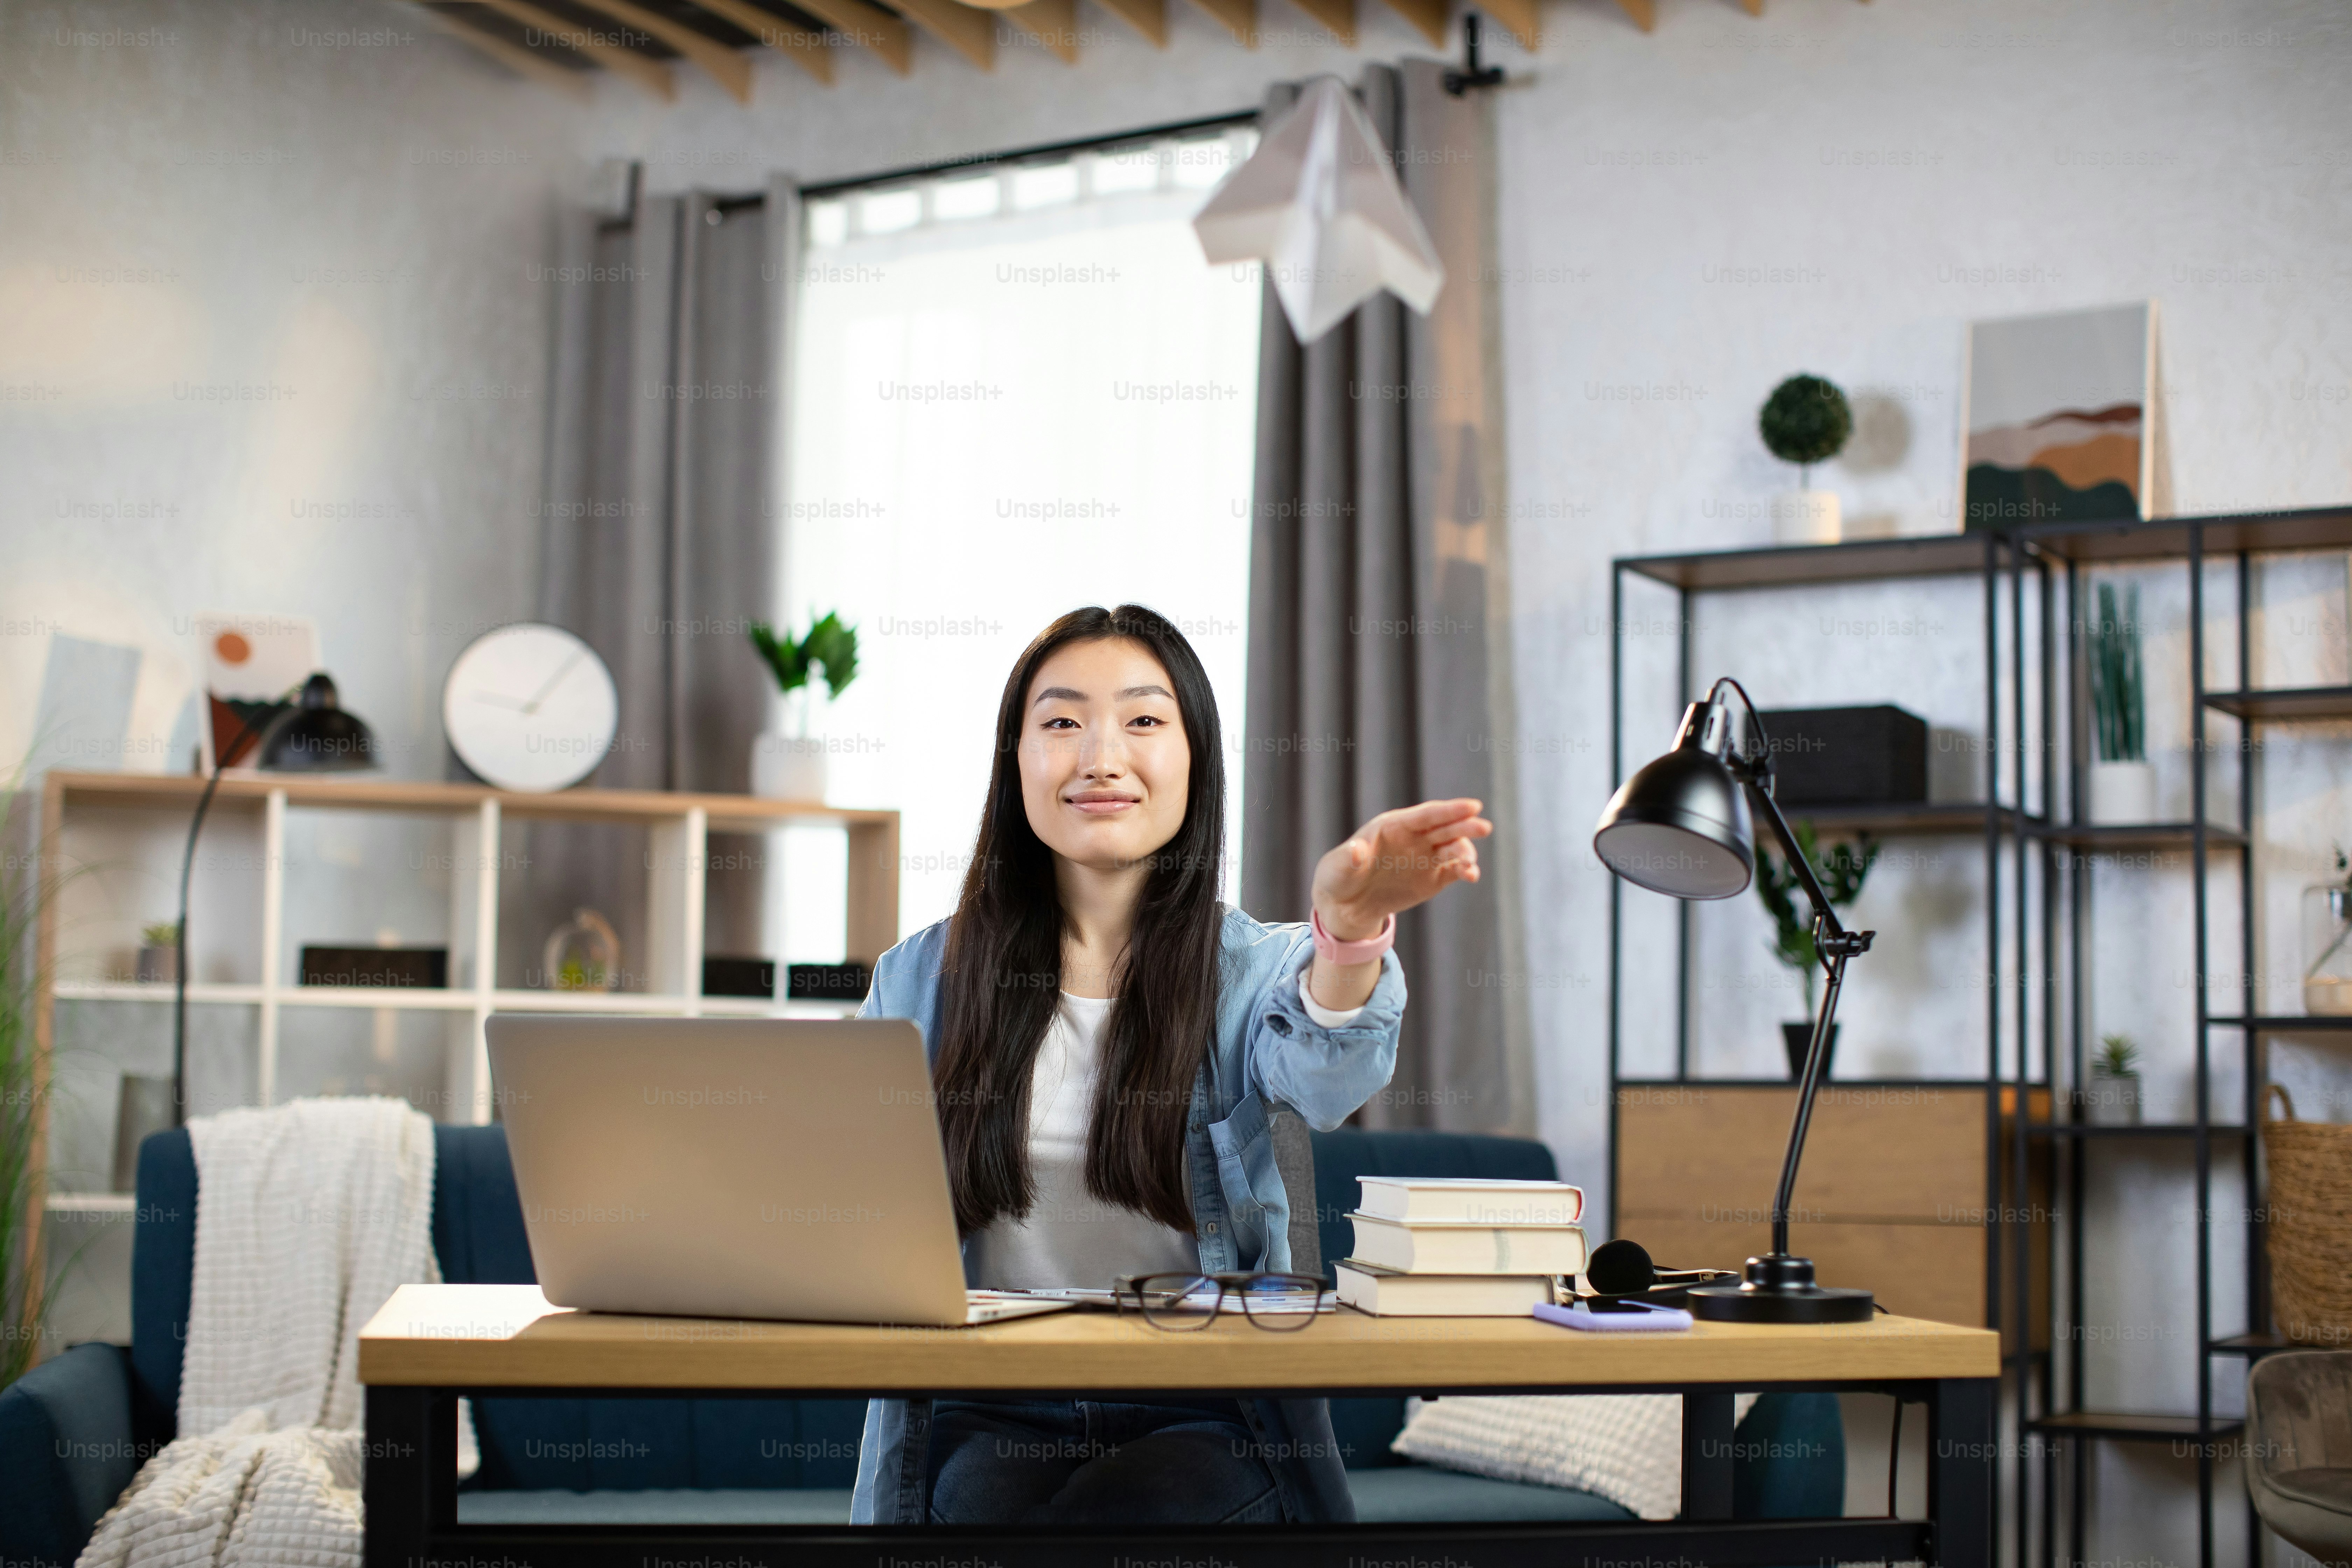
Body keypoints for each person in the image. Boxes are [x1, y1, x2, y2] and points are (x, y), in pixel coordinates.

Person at [849, 603, 1492, 1526]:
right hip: (991, 1401)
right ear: (1016, 761)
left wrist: (1348, 937)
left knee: (1137, 1510)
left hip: (1208, 1403)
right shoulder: (917, 978)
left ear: (1196, 760)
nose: (1100, 756)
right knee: (975, 1507)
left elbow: (1328, 1073)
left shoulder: (1259, 971)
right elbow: (851, 1207)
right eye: (1062, 722)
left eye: (1145, 721)